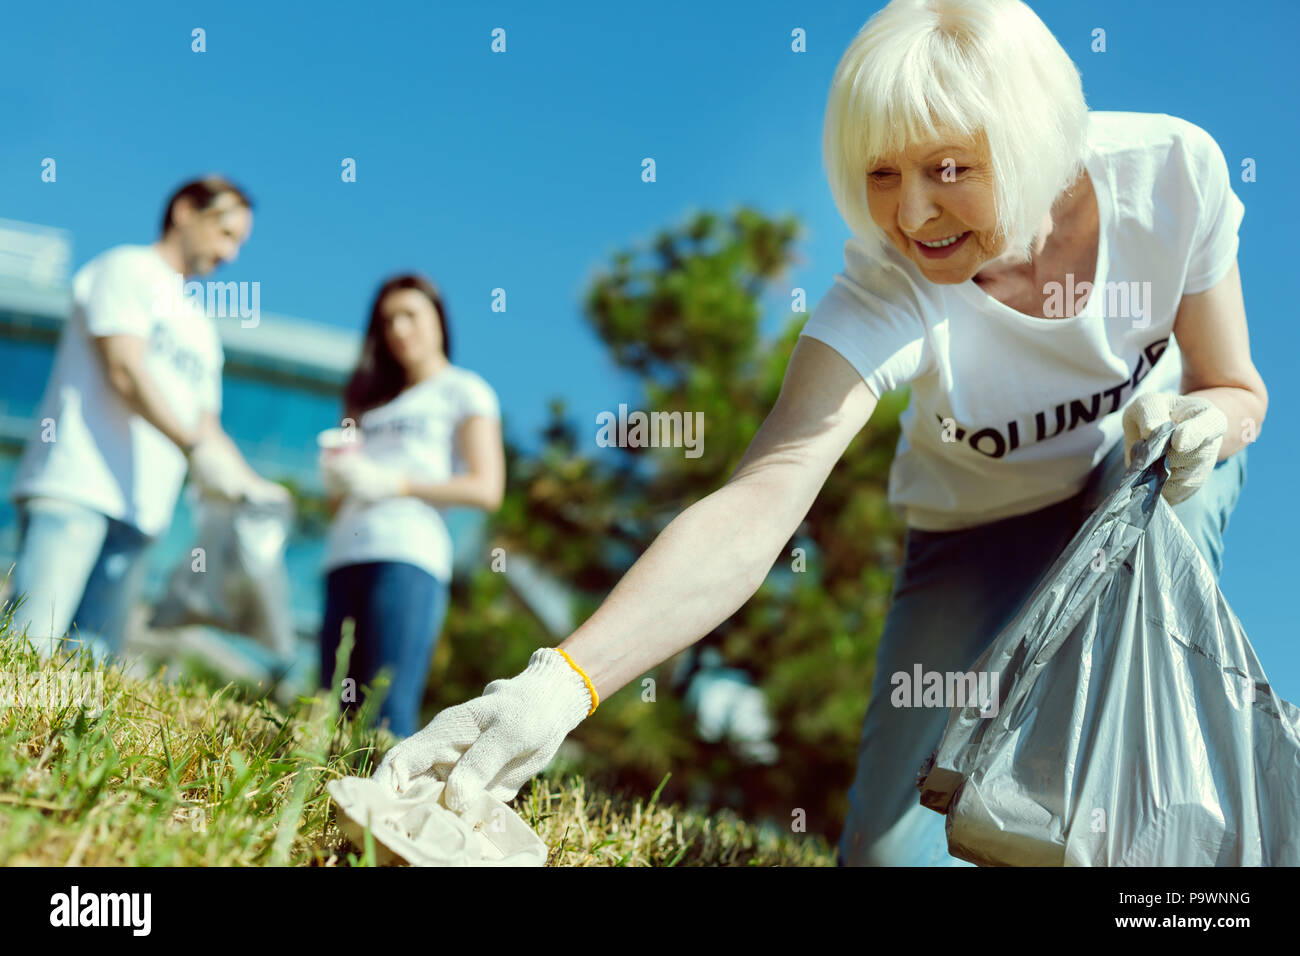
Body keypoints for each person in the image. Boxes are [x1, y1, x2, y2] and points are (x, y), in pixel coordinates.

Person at [366, 0, 1267, 866]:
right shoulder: (889, 287)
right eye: (883, 174)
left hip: (1136, 491)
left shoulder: (1171, 175)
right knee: (883, 853)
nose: (911, 216)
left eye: (947, 169)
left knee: (1175, 497)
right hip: (972, 529)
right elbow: (761, 501)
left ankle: (1130, 827)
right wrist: (560, 684)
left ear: (1028, 140)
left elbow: (1236, 389)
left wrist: (1205, 420)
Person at [5, 175, 287, 662]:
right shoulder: (125, 270)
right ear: (184, 211)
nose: (231, 253)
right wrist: (194, 447)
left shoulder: (201, 330)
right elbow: (124, 369)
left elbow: (207, 428)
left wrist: (254, 487)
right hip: (76, 492)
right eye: (225, 233)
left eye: (239, 242)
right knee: (26, 651)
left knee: (86, 679)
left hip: (140, 516)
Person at [318, 274, 504, 738]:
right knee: (332, 704)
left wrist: (398, 483)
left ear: (439, 320)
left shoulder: (464, 391)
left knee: (385, 706)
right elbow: (337, 500)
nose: (398, 330)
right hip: (345, 555)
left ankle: (387, 805)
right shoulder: (367, 402)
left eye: (410, 316)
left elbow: (486, 488)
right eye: (387, 321)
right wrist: (337, 478)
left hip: (408, 557)